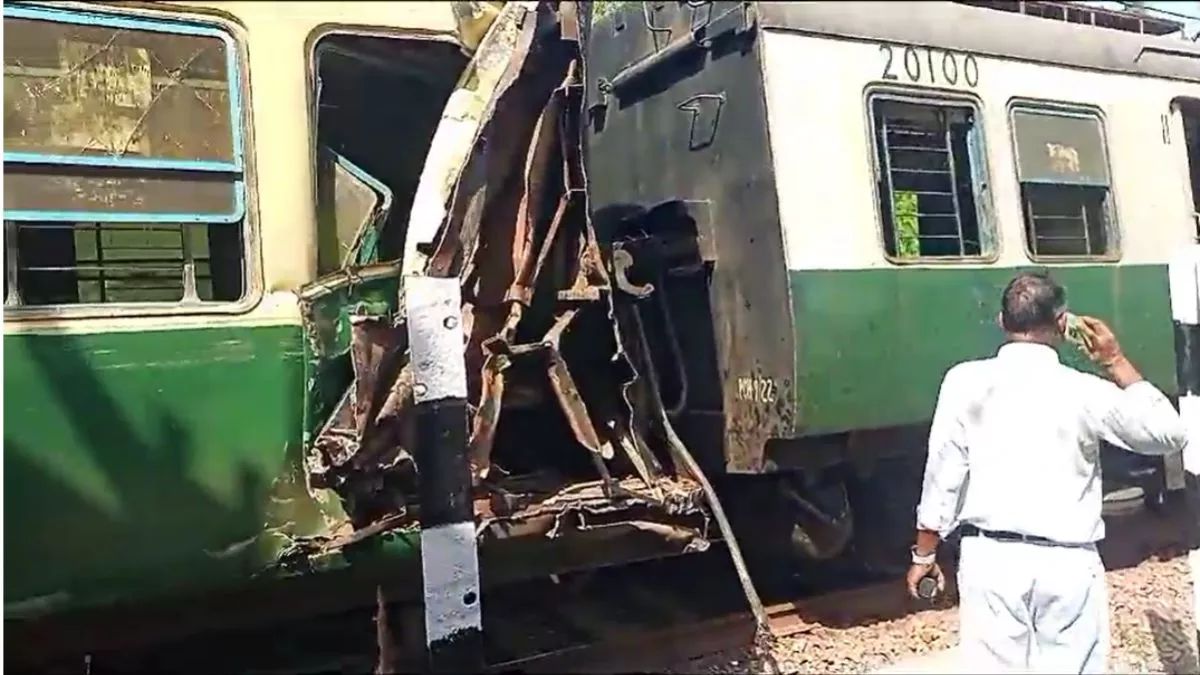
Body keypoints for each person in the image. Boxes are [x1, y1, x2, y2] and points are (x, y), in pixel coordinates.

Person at [905, 271, 1188, 673]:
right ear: (1062, 324)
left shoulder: (963, 382)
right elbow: (1169, 434)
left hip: (991, 559)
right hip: (1067, 562)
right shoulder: (1085, 390)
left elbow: (943, 475)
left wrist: (925, 553)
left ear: (1003, 323)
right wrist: (1115, 360)